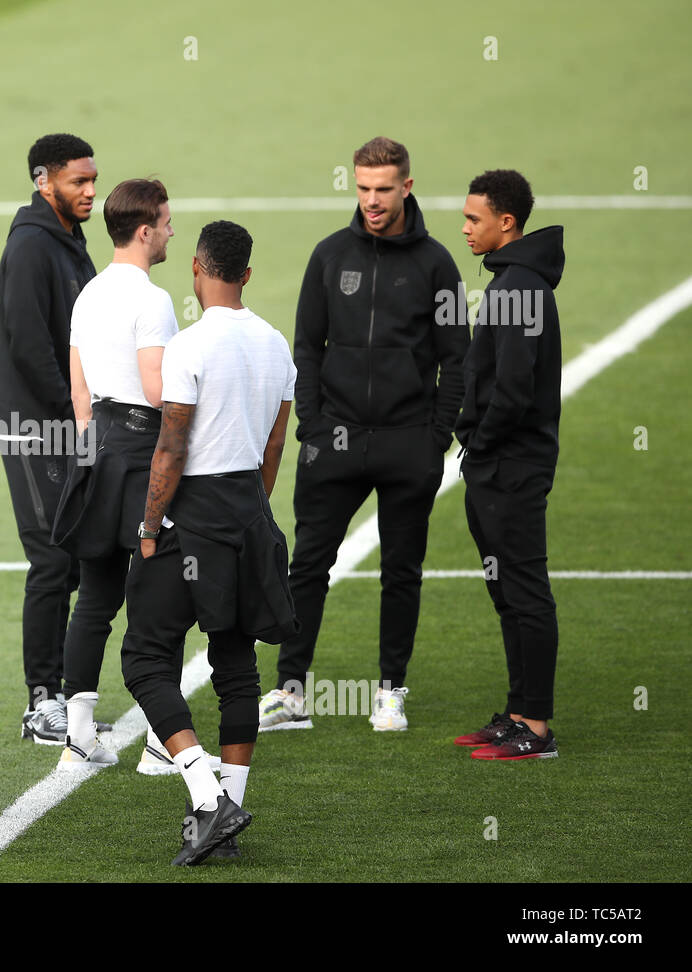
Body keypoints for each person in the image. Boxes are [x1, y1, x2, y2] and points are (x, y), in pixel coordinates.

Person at [262, 136, 469, 732]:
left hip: (409, 442)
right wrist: (315, 426)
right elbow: (306, 346)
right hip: (336, 442)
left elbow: (458, 357)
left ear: (407, 186)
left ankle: (390, 691)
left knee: (401, 570)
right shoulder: (330, 256)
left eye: (383, 189)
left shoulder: (437, 264)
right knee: (307, 565)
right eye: (363, 189)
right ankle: (291, 692)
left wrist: (435, 438)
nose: (372, 201)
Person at [121, 220, 297, 865]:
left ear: (197, 268)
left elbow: (171, 445)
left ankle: (206, 797)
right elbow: (276, 443)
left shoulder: (188, 346)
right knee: (236, 663)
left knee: (143, 657)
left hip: (191, 514)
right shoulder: (277, 345)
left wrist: (147, 526)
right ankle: (229, 805)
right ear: (246, 273)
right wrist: (253, 507)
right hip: (249, 511)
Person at [51, 177, 184, 771]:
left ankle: (78, 740)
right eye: (167, 221)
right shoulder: (152, 299)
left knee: (95, 599)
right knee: (162, 596)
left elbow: (80, 392)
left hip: (96, 444)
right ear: (146, 229)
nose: (173, 231)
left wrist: (94, 447)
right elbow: (157, 390)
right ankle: (161, 742)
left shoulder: (88, 294)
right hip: (141, 451)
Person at [454, 170, 564, 760]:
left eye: (474, 219)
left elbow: (514, 388)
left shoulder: (518, 286)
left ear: (507, 223)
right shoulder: (512, 282)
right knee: (507, 590)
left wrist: (478, 440)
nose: (466, 228)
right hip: (498, 463)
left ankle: (538, 728)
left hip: (510, 466)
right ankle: (520, 710)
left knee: (524, 590)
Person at [0, 133, 98, 743]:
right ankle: (42, 704)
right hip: (37, 429)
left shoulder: (66, 240)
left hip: (67, 424)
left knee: (78, 561)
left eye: (93, 179)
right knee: (53, 561)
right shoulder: (33, 247)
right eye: (78, 181)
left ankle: (66, 695)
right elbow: (31, 346)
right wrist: (75, 414)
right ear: (44, 181)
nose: (91, 191)